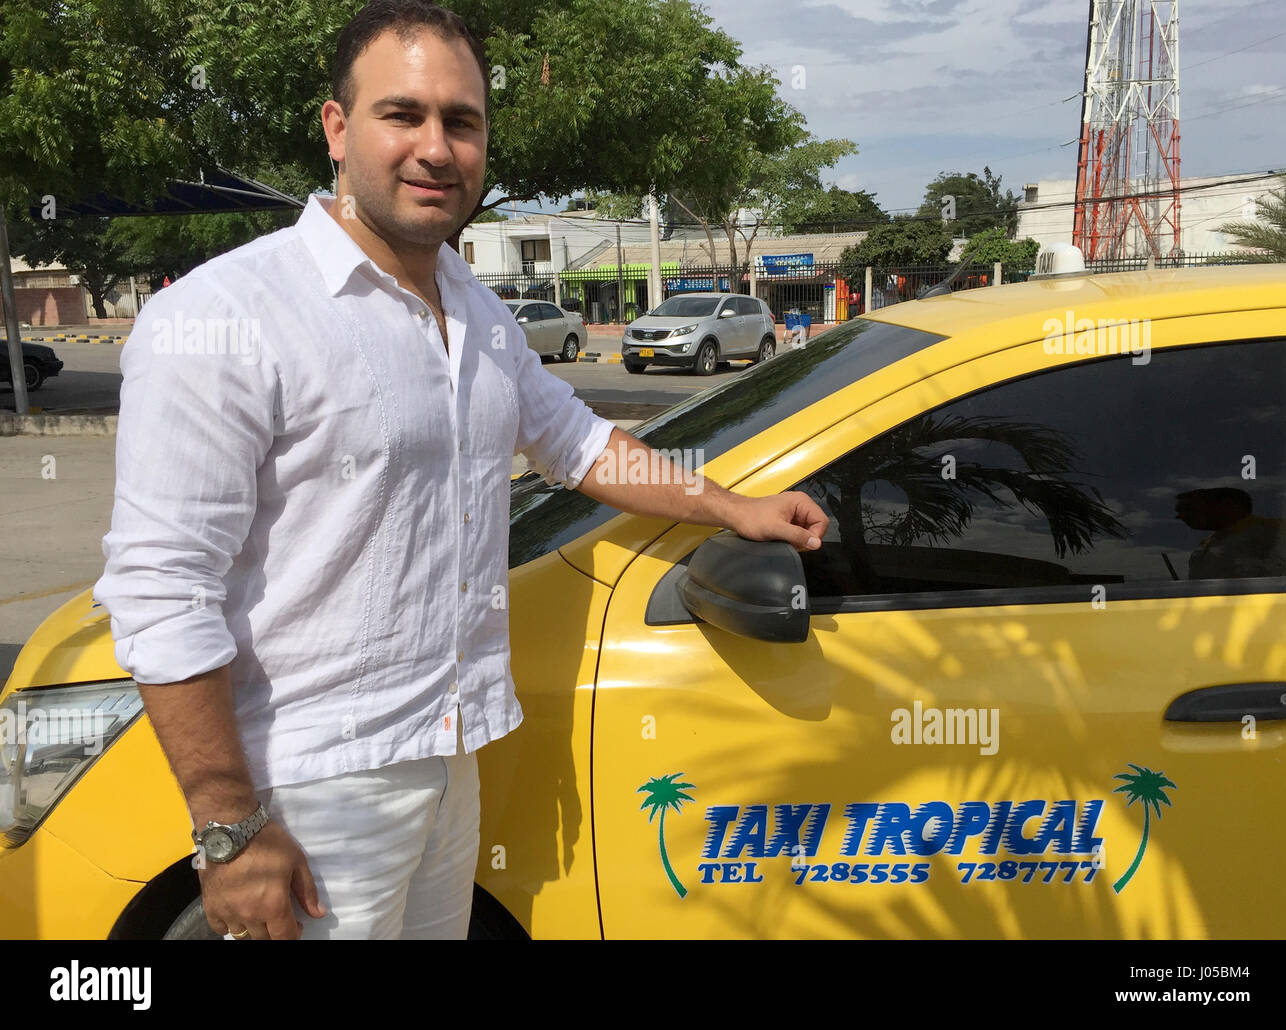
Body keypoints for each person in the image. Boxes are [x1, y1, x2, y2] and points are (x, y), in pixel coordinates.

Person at [92, 0, 827, 941]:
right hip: (312, 786)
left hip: (453, 753)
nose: (436, 147)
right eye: (403, 114)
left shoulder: (475, 310)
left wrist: (735, 506)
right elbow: (162, 588)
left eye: (462, 120)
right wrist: (230, 830)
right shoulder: (228, 317)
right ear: (335, 128)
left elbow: (578, 442)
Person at [1174, 487, 1286, 579]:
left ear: (1229, 505)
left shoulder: (1279, 531)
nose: (1180, 516)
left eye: (1189, 509)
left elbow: (1281, 575)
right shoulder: (1207, 545)